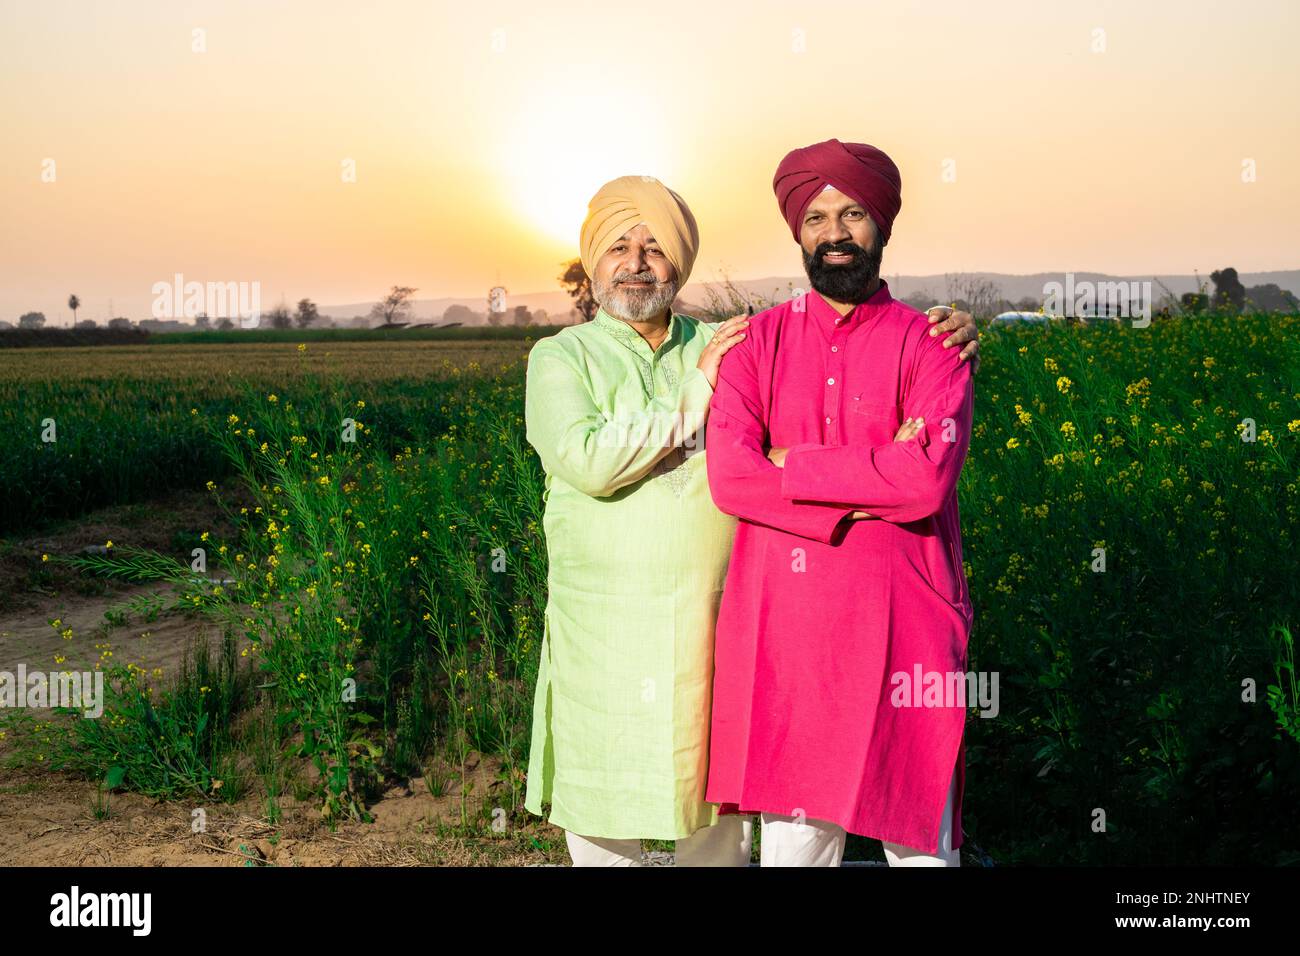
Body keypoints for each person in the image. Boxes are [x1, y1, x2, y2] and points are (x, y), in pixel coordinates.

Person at [523, 172, 979, 866]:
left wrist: (955, 328)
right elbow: (588, 459)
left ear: (679, 264)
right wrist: (699, 388)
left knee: (717, 819)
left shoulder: (730, 340)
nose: (637, 262)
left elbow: (910, 473)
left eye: (655, 247)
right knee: (601, 812)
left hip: (718, 625)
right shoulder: (561, 358)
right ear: (593, 261)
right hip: (605, 628)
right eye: (619, 246)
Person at [703, 139, 976, 867]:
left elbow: (924, 482)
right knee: (795, 849)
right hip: (788, 639)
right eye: (817, 217)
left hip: (905, 632)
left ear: (881, 225)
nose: (835, 233)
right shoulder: (753, 345)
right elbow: (731, 479)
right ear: (796, 232)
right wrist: (872, 475)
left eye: (853, 213)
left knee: (922, 845)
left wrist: (793, 464)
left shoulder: (936, 345)